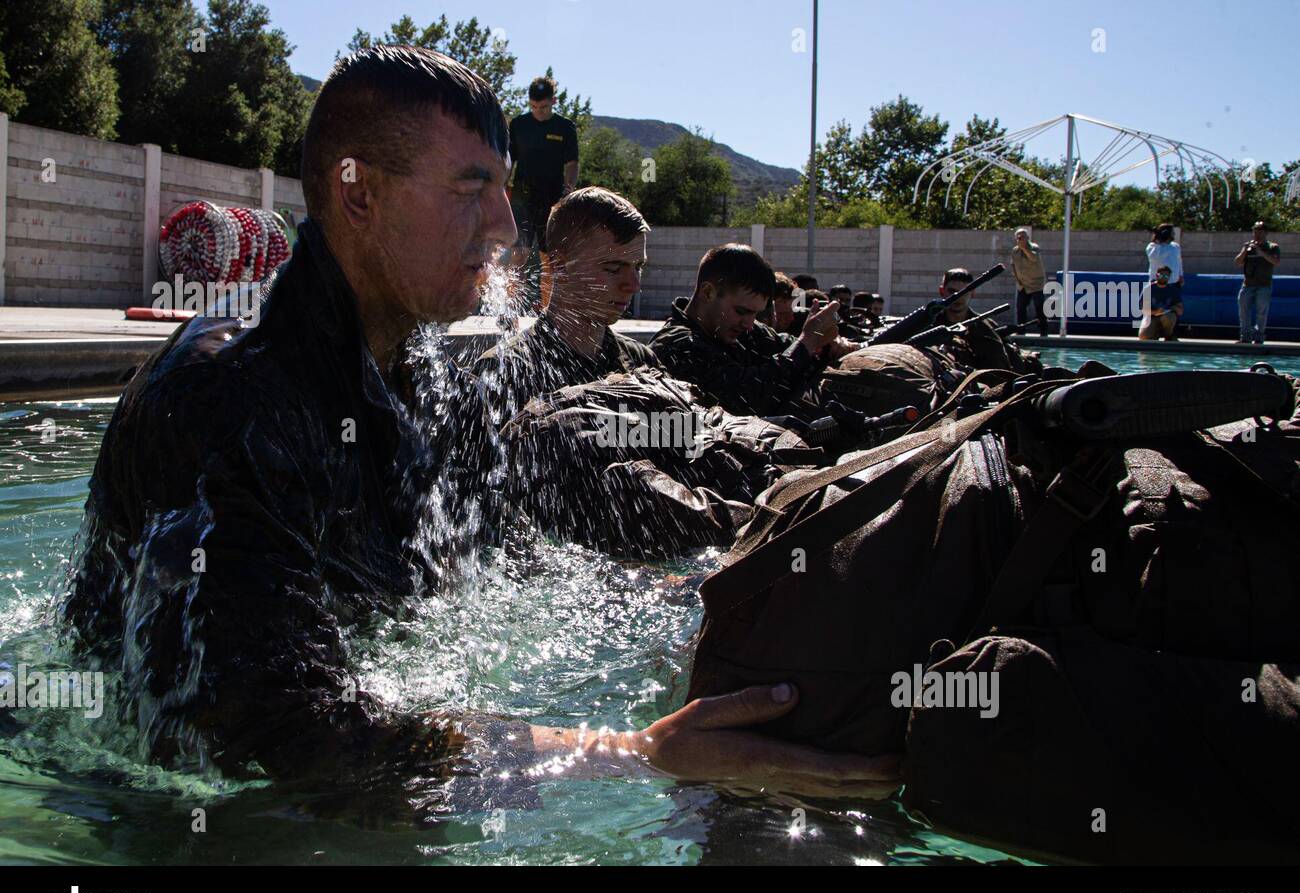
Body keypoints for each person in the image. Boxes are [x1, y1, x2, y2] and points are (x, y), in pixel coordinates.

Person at [61, 46, 896, 798]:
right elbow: (277, 732)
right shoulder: (234, 398)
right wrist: (633, 750)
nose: (505, 226)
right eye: (471, 189)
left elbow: (473, 562)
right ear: (358, 193)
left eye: (503, 188)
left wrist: (652, 598)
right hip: (165, 815)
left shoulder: (411, 364)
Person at [473, 186, 658, 416]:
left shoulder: (643, 363)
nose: (633, 285)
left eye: (638, 267)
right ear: (560, 265)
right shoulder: (506, 372)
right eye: (613, 268)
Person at [650, 244, 849, 418]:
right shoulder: (676, 345)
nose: (749, 324)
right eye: (742, 311)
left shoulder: (737, 330)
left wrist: (826, 342)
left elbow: (787, 346)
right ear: (708, 292)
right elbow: (748, 399)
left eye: (755, 314)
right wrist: (807, 343)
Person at [508, 75, 579, 252]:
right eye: (533, 106)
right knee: (518, 251)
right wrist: (501, 187)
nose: (538, 111)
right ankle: (517, 281)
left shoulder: (565, 127)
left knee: (550, 253)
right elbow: (509, 159)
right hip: (522, 196)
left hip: (552, 196)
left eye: (543, 107)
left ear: (553, 101)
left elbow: (572, 163)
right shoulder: (518, 125)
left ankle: (549, 281)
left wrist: (568, 192)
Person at [1234, 220, 1282, 344]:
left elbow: (1276, 262)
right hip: (1248, 284)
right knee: (1243, 311)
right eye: (1255, 231)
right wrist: (1245, 250)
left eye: (1260, 231)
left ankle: (1259, 337)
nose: (1257, 234)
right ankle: (1245, 337)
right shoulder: (1248, 247)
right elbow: (1237, 262)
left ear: (1266, 233)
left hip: (1264, 285)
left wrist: (1262, 253)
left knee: (1261, 312)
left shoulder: (1272, 247)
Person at [1006, 228, 1047, 335]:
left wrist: (1024, 248)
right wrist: (1017, 279)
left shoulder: (1034, 247)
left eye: (1023, 237)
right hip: (1023, 284)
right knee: (1021, 308)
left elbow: (1034, 258)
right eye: (1018, 238)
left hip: (1036, 283)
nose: (1020, 240)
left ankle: (1043, 330)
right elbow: (1013, 265)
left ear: (1028, 238)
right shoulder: (1015, 251)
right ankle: (1021, 331)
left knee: (1039, 307)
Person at [1138, 265, 1183, 341]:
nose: (1163, 277)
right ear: (1156, 275)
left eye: (1166, 276)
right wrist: (1155, 312)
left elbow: (1180, 311)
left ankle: (1168, 335)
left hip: (1167, 317)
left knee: (1169, 317)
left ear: (1169, 277)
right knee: (1143, 337)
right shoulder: (1149, 289)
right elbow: (1143, 309)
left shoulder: (1173, 290)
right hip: (1151, 317)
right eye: (1161, 275)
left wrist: (1173, 308)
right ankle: (1155, 333)